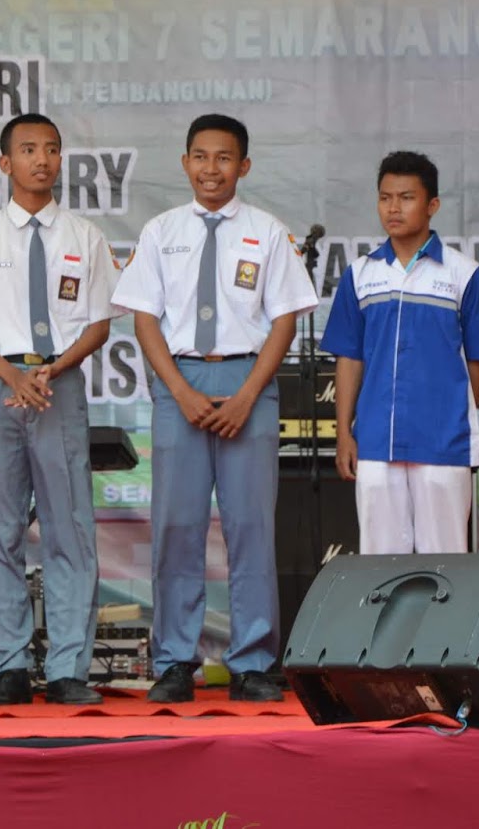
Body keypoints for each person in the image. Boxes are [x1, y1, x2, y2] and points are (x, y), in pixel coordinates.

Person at [113, 113, 318, 704]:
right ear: (184, 163)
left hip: (246, 382)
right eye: (200, 157)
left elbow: (283, 319)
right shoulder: (160, 231)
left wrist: (250, 394)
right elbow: (144, 317)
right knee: (176, 528)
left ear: (244, 166)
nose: (211, 168)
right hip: (180, 384)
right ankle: (175, 659)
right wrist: (179, 390)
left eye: (224, 158)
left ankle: (253, 661)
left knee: (250, 528)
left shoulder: (267, 231)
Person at [0, 113, 117, 706]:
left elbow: (97, 325)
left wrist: (53, 370)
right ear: (4, 162)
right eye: (29, 149)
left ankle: (68, 669)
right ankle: (8, 666)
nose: (42, 159)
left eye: (53, 150)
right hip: (1, 385)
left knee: (70, 531)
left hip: (59, 386)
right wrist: (13, 374)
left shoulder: (84, 236)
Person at [320, 152, 479, 555]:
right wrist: (344, 434)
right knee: (379, 563)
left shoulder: (463, 273)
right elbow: (348, 358)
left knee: (445, 563)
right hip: (376, 439)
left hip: (443, 441)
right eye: (385, 198)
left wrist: (451, 412)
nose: (393, 208)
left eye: (406, 197)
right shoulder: (361, 274)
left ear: (432, 205)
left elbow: (478, 359)